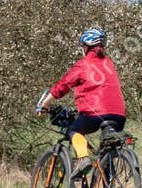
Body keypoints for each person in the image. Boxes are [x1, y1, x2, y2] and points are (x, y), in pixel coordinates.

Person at [36, 26, 126, 177]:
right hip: (119, 115)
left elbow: (63, 85)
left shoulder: (84, 64)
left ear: (86, 46)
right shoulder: (109, 63)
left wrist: (45, 103)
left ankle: (83, 159)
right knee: (106, 153)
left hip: (95, 113)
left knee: (75, 131)